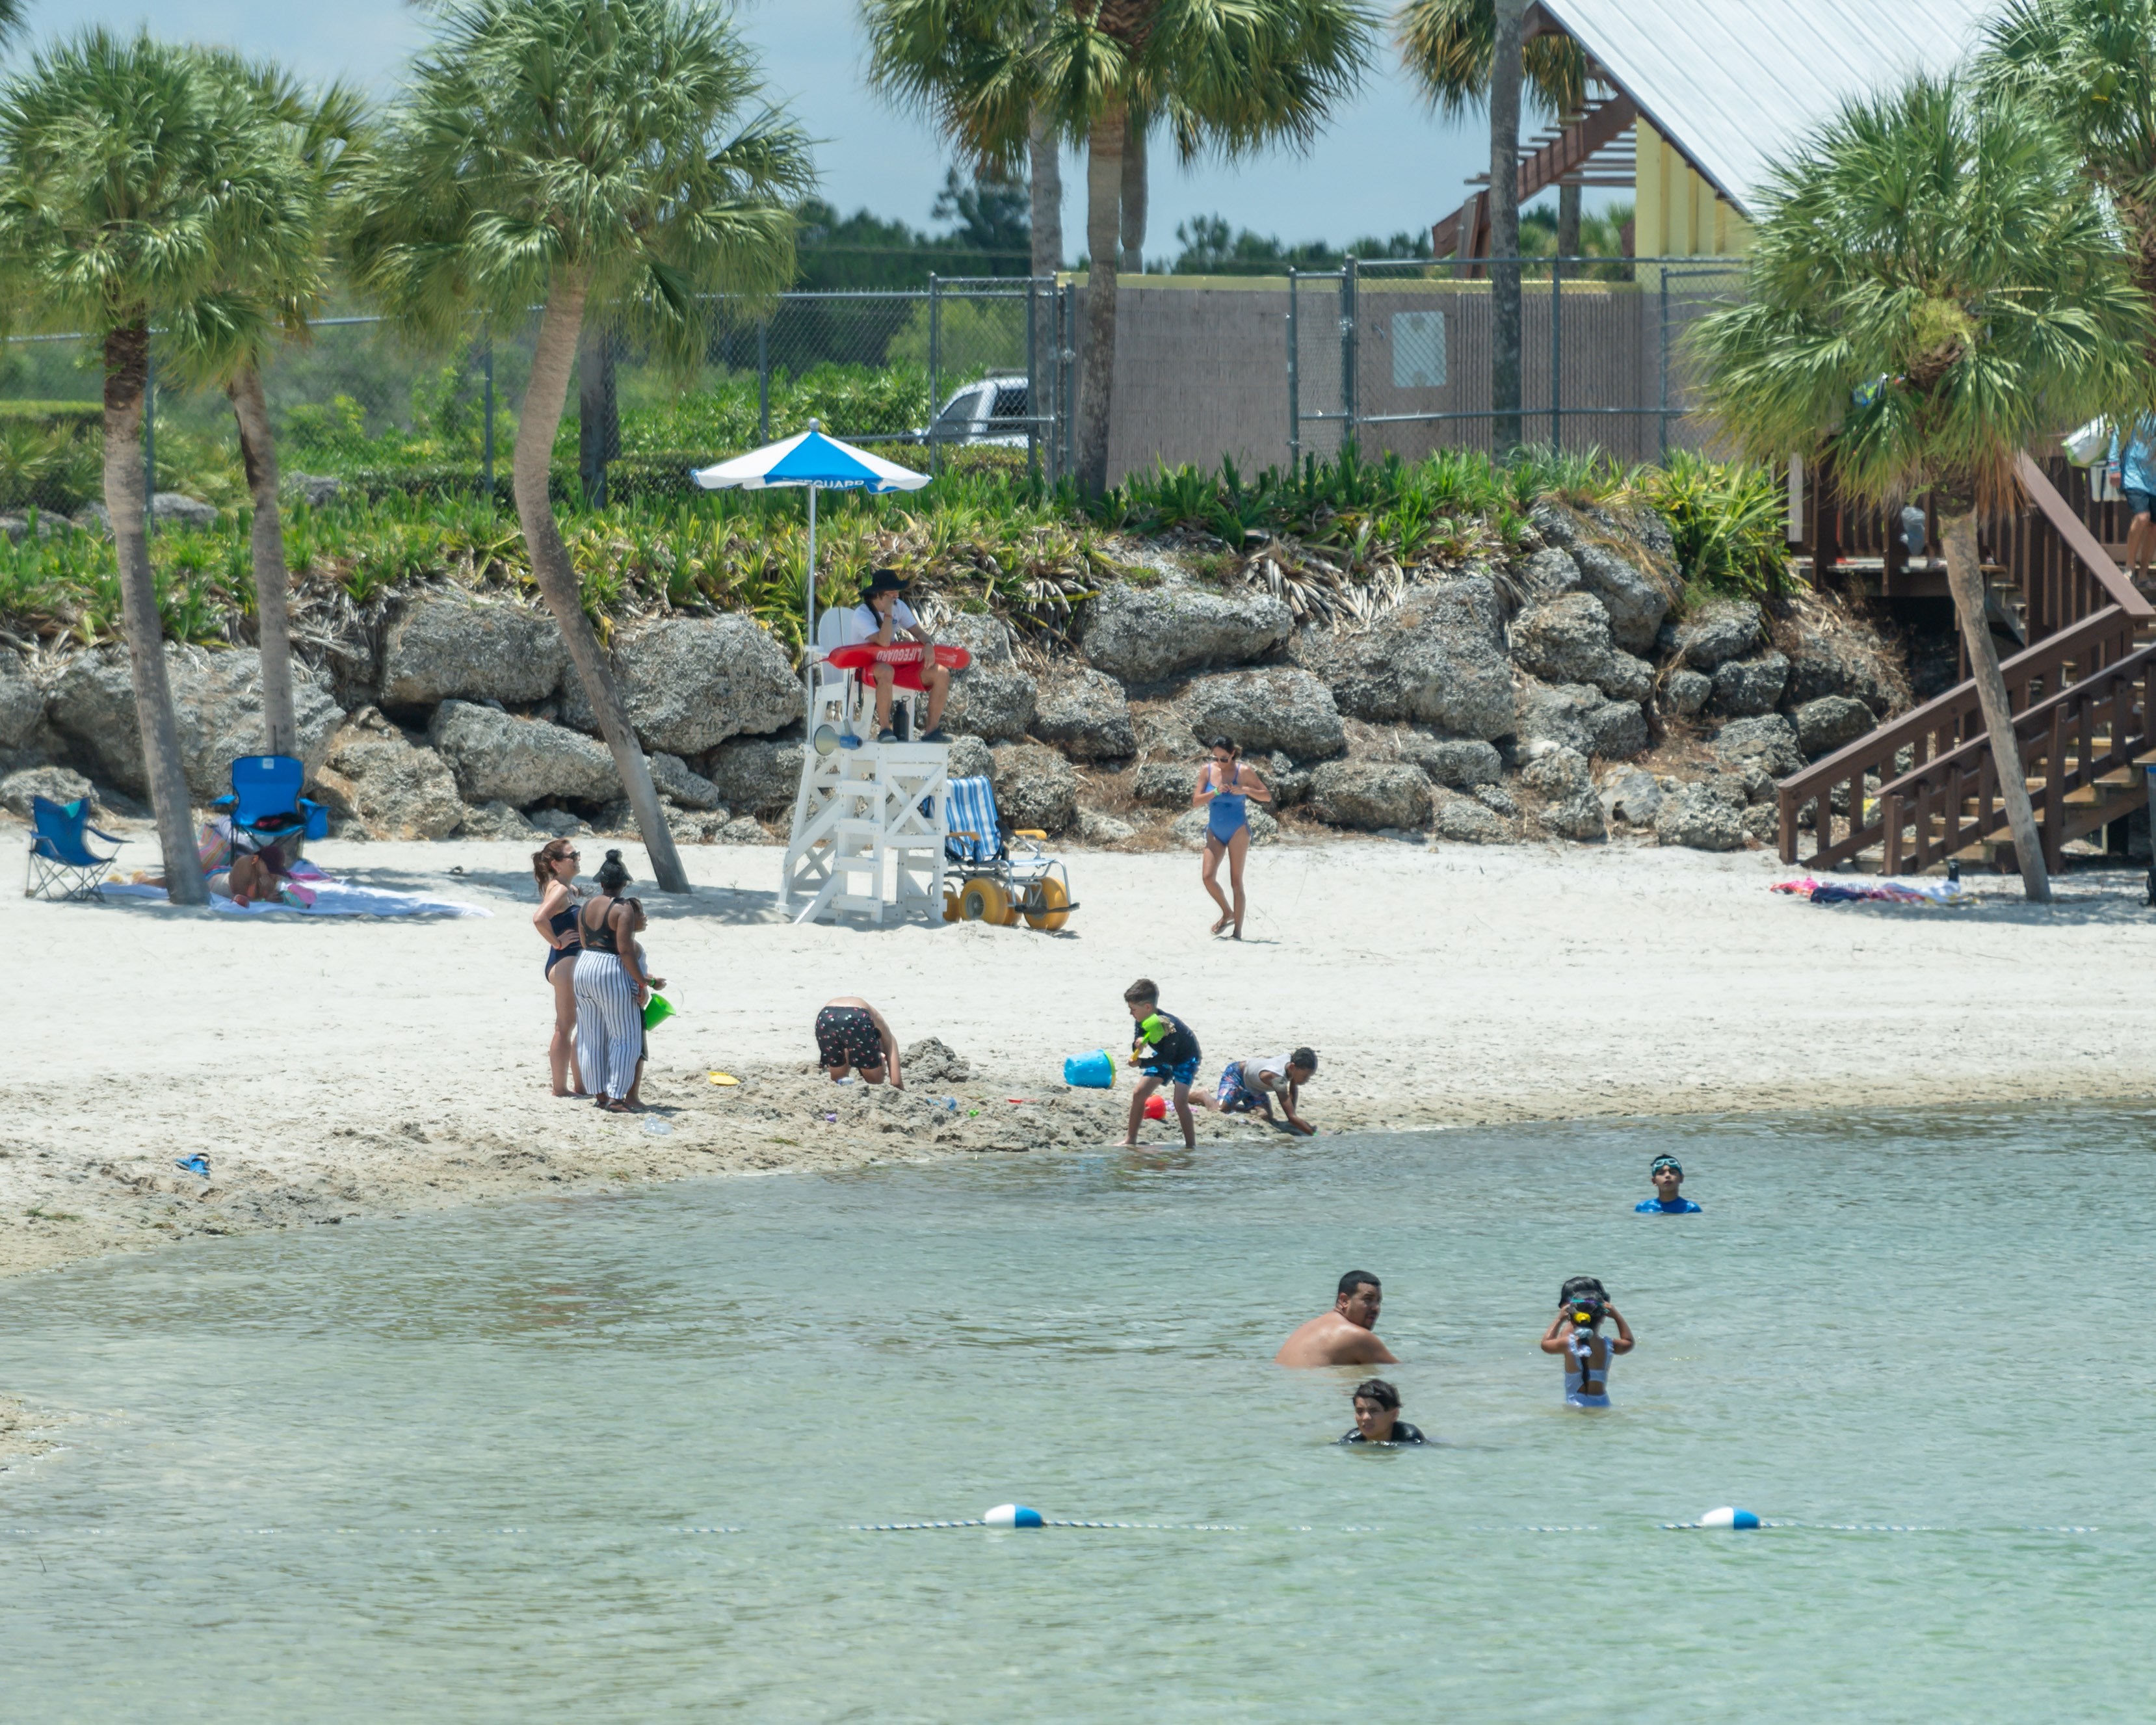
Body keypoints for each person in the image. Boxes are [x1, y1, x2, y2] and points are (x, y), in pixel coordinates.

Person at [572, 850, 661, 1113]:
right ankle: (617, 1098)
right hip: (610, 968)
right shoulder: (623, 909)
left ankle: (600, 1095)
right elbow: (625, 949)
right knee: (625, 1037)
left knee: (590, 1035)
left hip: (584, 965)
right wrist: (643, 981)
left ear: (601, 882)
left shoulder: (586, 906)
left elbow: (584, 941)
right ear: (624, 883)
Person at [835, 569, 951, 743]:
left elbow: (920, 633)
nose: (896, 596)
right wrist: (888, 613)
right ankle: (885, 730)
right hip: (866, 667)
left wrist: (929, 644)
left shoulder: (899, 606)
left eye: (897, 591)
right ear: (878, 595)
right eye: (891, 593)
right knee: (886, 671)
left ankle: (931, 732)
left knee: (942, 673)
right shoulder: (863, 614)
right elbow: (883, 642)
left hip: (893, 663)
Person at [1192, 737, 1270, 938]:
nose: (1220, 762)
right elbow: (1196, 801)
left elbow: (1266, 796)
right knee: (1208, 877)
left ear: (1233, 754)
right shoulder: (1207, 770)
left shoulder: (1243, 772)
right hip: (1215, 830)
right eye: (1216, 758)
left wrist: (1245, 790)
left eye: (1224, 759)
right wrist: (1216, 792)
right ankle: (1228, 912)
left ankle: (1237, 933)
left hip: (1238, 830)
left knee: (1236, 882)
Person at [531, 839, 586, 1098]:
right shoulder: (560, 890)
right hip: (565, 962)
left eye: (577, 854)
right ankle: (561, 1088)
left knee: (575, 1025)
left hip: (566, 961)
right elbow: (539, 918)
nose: (577, 858)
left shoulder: (565, 888)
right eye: (572, 856)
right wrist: (557, 941)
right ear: (556, 864)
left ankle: (580, 1086)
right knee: (565, 1027)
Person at [1122, 978, 1200, 1148]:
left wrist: (1142, 1063)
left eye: (1133, 1009)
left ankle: (1190, 1148)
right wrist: (1137, 1045)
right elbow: (1138, 1043)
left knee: (1180, 1102)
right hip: (1163, 1055)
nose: (1131, 1013)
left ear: (1148, 1007)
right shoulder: (1141, 1020)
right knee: (1139, 1093)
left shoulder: (1169, 1026)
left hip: (1185, 1058)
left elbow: (1168, 1058)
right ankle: (1130, 1139)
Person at [1538, 1276, 1635, 1409]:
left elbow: (1546, 1344)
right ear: (1603, 1318)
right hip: (1604, 1405)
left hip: (1576, 1407)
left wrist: (1559, 1319)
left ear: (1571, 1317)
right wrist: (1616, 1314)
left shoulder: (1568, 1343)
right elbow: (1628, 1342)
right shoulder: (1608, 1345)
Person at [1275, 1271, 1399, 1367]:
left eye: (1378, 1301)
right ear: (1344, 1301)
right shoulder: (1356, 1336)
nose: (1376, 1308)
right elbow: (1398, 1371)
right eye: (1368, 1299)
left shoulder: (1308, 1327)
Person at [1208, 1047, 1318, 1135]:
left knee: (1265, 1116)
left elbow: (1293, 1086)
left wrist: (1293, 1117)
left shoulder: (1292, 1063)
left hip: (1255, 1088)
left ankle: (1234, 1104)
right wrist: (1314, 1134)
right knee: (1219, 1109)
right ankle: (1203, 1095)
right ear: (1292, 1067)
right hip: (1237, 1076)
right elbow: (1291, 1116)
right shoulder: (1277, 1078)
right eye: (1305, 1076)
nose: (1307, 1080)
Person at [816, 997, 904, 1088]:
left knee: (838, 1080)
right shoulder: (885, 1034)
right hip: (856, 1015)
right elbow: (896, 1082)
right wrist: (899, 1088)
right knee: (875, 1083)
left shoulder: (872, 1024)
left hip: (826, 1015)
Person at [2109, 413, 2156, 579]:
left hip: (2154, 478)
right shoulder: (2137, 408)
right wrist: (2114, 466)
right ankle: (2129, 566)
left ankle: (2143, 574)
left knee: (2154, 527)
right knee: (2143, 517)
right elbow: (2117, 434)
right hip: (2134, 474)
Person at [1336, 1378, 1426, 1445]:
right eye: (1360, 1411)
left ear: (1394, 1415)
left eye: (1374, 1411)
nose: (1366, 1418)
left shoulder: (1412, 1438)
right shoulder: (1350, 1441)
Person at [1636, 1153, 1701, 1214]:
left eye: (1672, 1172)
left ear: (1681, 1178)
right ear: (1654, 1181)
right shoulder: (1643, 1208)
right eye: (1661, 1173)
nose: (1667, 1175)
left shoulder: (1691, 1209)